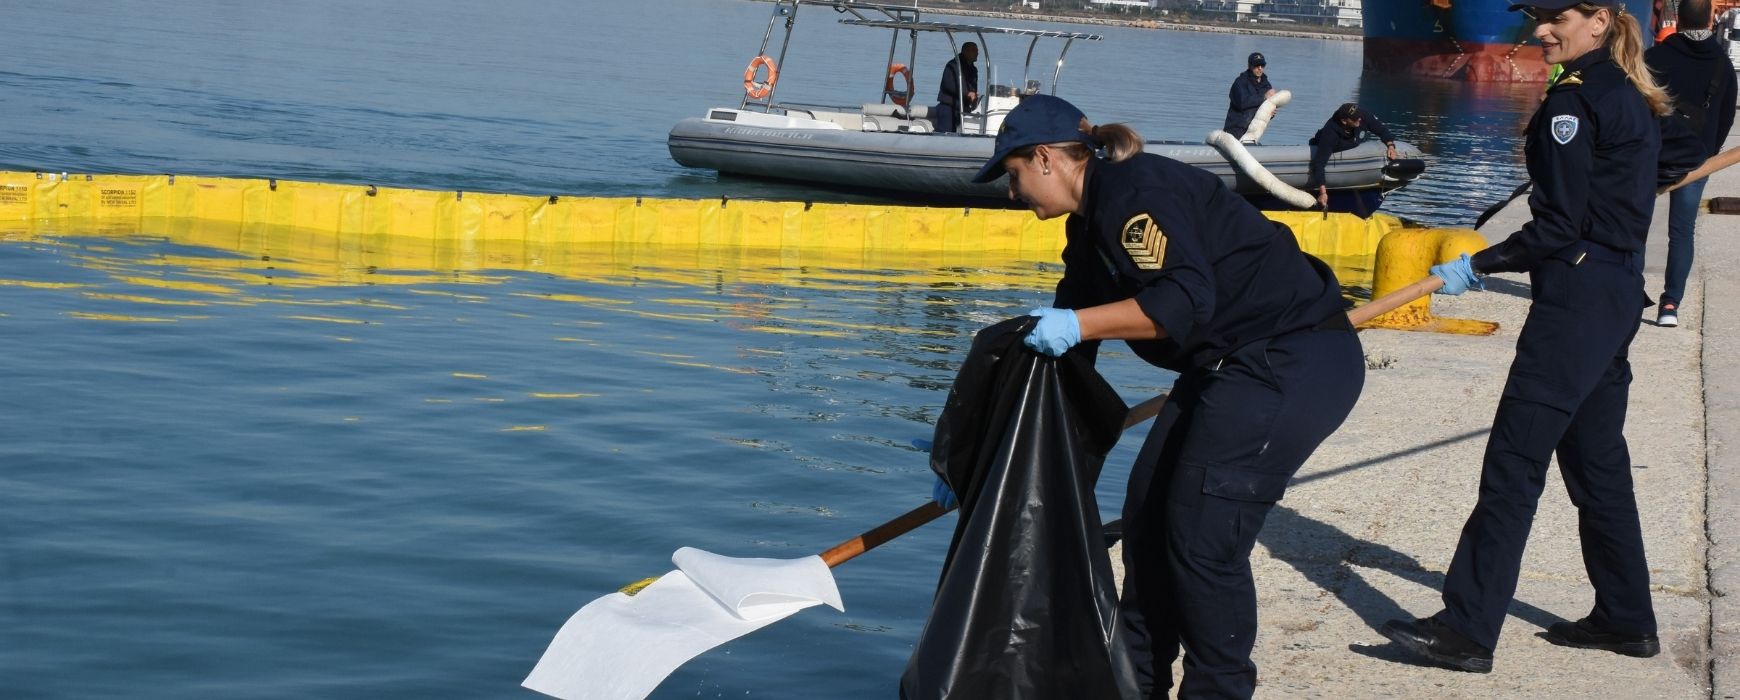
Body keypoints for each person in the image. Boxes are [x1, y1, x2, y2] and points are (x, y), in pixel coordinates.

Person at [938, 93, 1365, 698]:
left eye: (1012, 177)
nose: (1012, 194)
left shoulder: (1135, 197)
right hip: (1226, 366)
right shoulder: (1089, 226)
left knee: (1200, 536)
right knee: (1145, 519)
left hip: (1290, 358)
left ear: (1044, 160)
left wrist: (1079, 325)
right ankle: (1136, 682)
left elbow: (1182, 303)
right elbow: (1066, 342)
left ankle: (1217, 689)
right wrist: (983, 453)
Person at [1379, 0, 1672, 673]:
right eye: (1538, 18)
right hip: (1616, 292)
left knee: (1514, 466)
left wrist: (1475, 265)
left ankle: (1466, 630)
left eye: (1554, 18)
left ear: (1599, 21)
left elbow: (1558, 228)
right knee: (1597, 464)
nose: (1539, 30)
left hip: (1575, 304)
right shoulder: (1624, 93)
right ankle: (1626, 618)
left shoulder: (1576, 103)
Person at [1646, 0, 1736, 327]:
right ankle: (1670, 305)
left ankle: (1627, 292)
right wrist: (1707, 153)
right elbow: (1726, 117)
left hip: (1652, 157)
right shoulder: (1722, 65)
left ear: (1678, 20)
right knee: (1681, 232)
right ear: (1711, 20)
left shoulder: (1655, 57)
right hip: (1696, 161)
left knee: (1633, 225)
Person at [1306, 103, 1401, 209]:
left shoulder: (1363, 116)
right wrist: (1323, 193)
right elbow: (1319, 164)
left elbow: (1382, 130)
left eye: (1359, 115)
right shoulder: (1330, 133)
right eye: (1355, 118)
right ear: (1344, 121)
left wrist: (1391, 146)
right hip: (1323, 147)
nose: (1359, 119)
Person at [1224, 52, 1276, 139]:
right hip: (1235, 130)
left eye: (1262, 65)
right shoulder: (1240, 82)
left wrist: (1271, 113)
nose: (1260, 68)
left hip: (1253, 132)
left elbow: (1262, 110)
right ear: (1249, 66)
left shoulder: (1266, 85)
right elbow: (1242, 103)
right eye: (1256, 65)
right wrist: (1263, 97)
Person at [934, 42, 979, 134]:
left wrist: (974, 96)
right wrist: (966, 93)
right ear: (965, 51)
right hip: (948, 107)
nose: (977, 53)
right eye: (974, 51)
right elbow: (948, 85)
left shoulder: (973, 70)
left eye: (977, 51)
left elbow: (972, 87)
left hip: (963, 108)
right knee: (945, 134)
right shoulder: (953, 65)